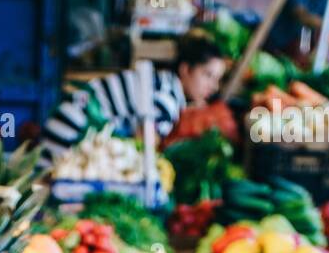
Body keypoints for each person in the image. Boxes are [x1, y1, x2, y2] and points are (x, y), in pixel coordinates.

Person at [41, 32, 227, 163]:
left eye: (217, 79)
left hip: (65, 118)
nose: (213, 86)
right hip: (70, 132)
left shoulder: (163, 81)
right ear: (186, 69)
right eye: (207, 75)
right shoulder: (168, 99)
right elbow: (143, 144)